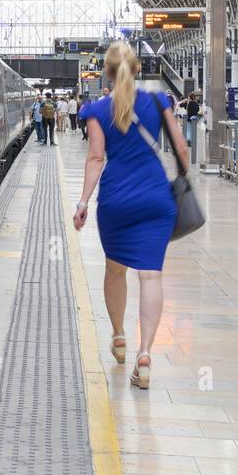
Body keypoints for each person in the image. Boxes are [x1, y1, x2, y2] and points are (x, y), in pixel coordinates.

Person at [74, 41, 187, 390]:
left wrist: (82, 202)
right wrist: (185, 180)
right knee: (150, 276)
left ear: (105, 73)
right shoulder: (158, 101)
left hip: (116, 201)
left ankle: (120, 336)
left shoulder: (96, 110)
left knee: (114, 270)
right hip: (156, 199)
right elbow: (181, 148)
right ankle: (146, 355)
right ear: (138, 69)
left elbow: (95, 159)